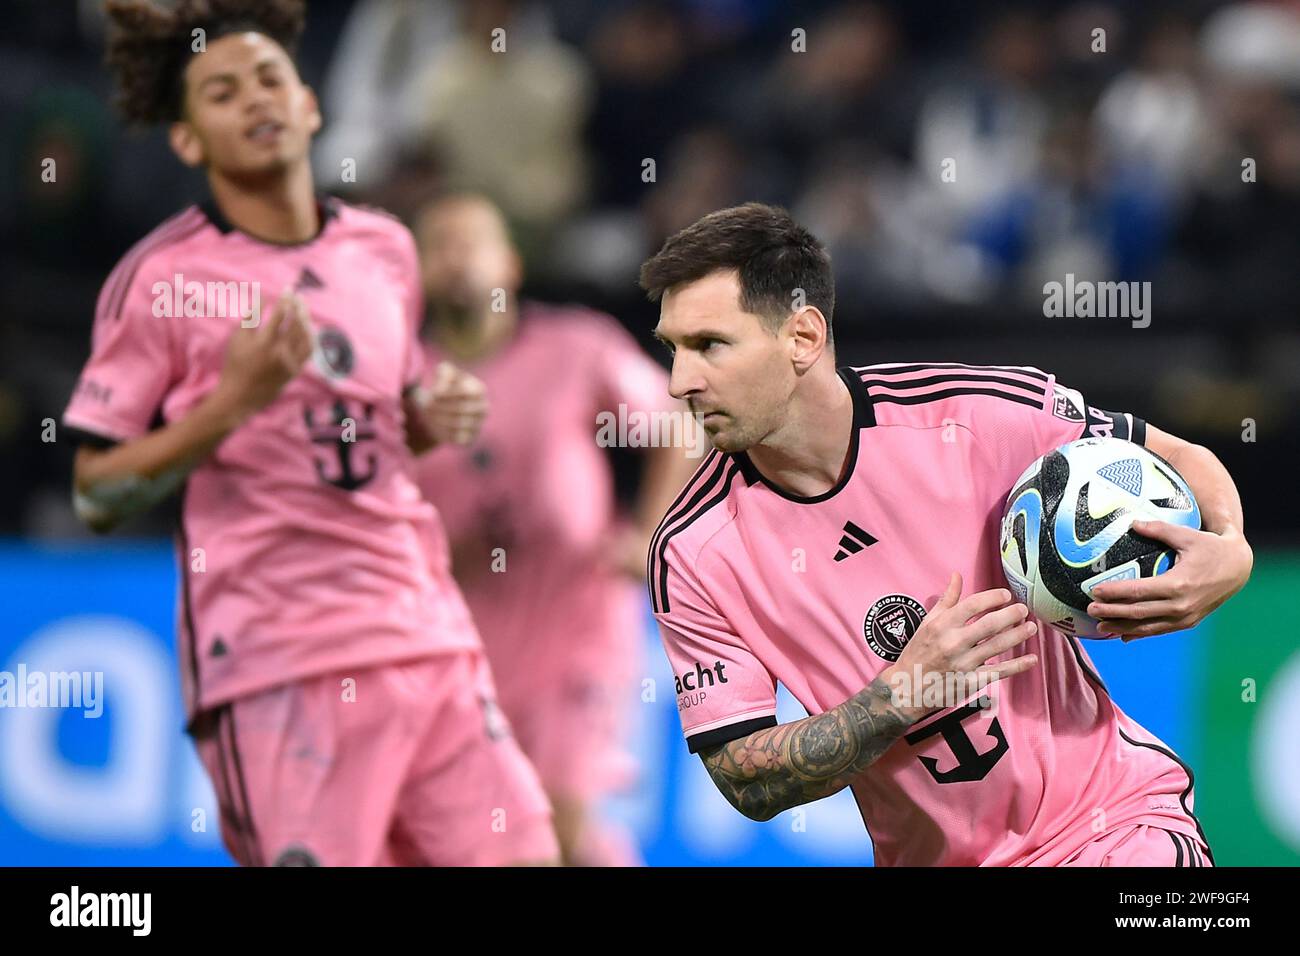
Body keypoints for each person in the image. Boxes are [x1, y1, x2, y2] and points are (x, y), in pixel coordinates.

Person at [62, 0, 559, 866]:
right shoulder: (161, 279)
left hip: (426, 633)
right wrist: (230, 404)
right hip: (278, 666)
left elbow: (358, 438)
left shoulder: (384, 252)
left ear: (311, 105)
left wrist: (421, 420)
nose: (254, 99)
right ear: (187, 140)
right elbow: (95, 492)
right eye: (221, 92)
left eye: (269, 79)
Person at [639, 202, 1252, 866]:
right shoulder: (693, 551)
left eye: (709, 345)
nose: (680, 383)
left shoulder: (971, 414)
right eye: (672, 348)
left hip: (1112, 826)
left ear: (803, 337)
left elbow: (1180, 457)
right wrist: (901, 694)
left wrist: (1232, 551)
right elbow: (743, 778)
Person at [412, 193, 697, 865]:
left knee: (558, 806)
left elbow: (677, 425)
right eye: (438, 246)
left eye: (470, 243)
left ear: (508, 262)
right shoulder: (402, 383)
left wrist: (651, 531)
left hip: (577, 615)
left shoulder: (576, 345)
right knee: (503, 833)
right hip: (464, 633)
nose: (455, 261)